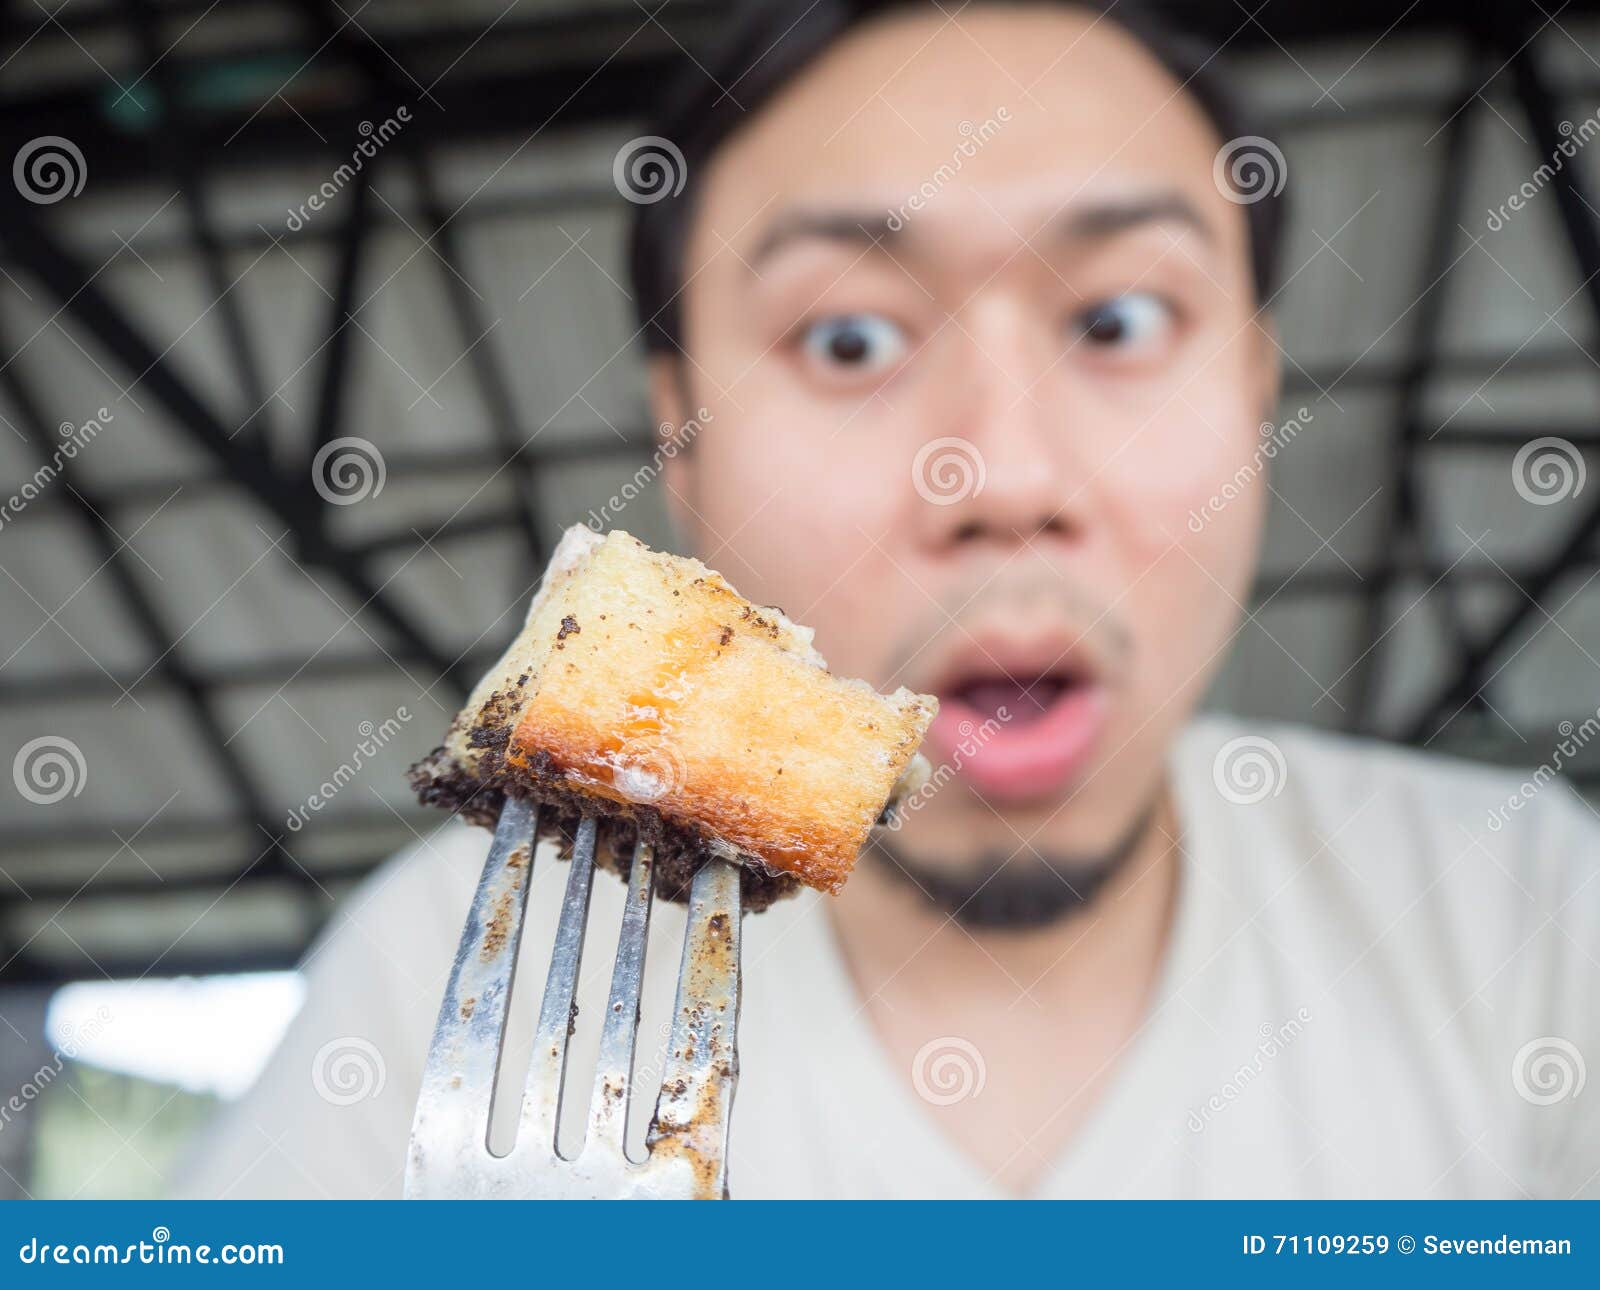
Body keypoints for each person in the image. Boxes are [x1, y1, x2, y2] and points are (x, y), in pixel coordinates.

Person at [179, 0, 1599, 1199]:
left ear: (1254, 387)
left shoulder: (1524, 913)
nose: (999, 472)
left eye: (1117, 319)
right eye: (849, 336)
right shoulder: (447, 975)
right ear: (685, 443)